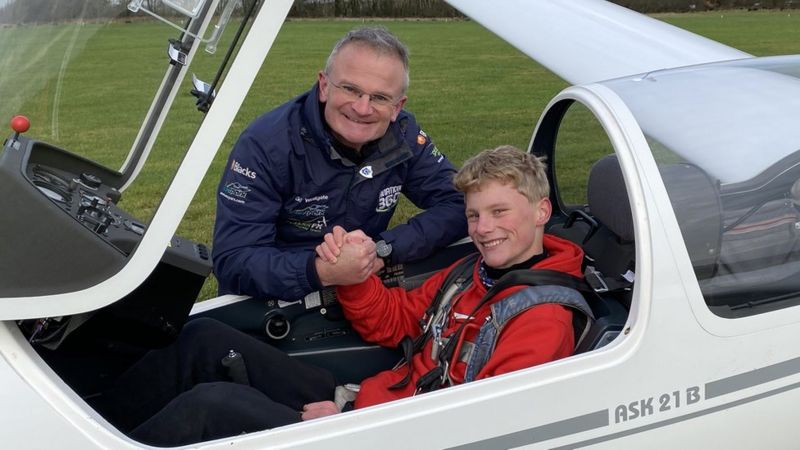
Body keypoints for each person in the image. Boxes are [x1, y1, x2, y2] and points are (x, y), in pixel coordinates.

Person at [93, 145, 587, 446]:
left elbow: (475, 428)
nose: (483, 229)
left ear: (542, 210)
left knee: (212, 405)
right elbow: (395, 323)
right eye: (476, 215)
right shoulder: (474, 272)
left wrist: (352, 420)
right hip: (379, 401)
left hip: (389, 429)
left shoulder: (541, 319)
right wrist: (351, 274)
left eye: (500, 213)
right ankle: (90, 429)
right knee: (203, 339)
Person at [211, 26, 466, 301]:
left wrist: (383, 249)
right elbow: (234, 259)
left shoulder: (404, 135)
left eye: (379, 97)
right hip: (275, 304)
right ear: (324, 86)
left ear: (397, 107)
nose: (362, 108)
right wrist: (320, 271)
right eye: (350, 89)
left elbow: (462, 204)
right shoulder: (267, 143)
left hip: (362, 291)